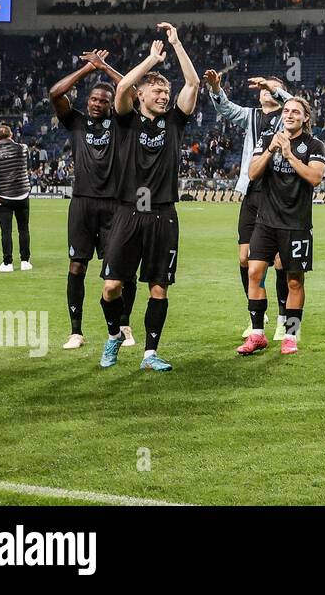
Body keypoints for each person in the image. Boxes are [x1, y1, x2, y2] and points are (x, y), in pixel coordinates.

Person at [98, 23, 199, 373]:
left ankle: (150, 353)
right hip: (128, 213)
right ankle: (114, 335)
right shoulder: (125, 120)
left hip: (162, 214)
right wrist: (151, 60)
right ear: (141, 96)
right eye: (156, 91)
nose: (163, 95)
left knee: (159, 287)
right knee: (112, 287)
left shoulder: (174, 122)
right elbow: (124, 84)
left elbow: (193, 84)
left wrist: (176, 44)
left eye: (164, 91)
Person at [205, 70, 293, 341]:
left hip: (279, 193)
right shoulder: (252, 116)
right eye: (263, 88)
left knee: (281, 263)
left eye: (271, 88)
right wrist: (216, 89)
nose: (265, 90)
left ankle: (285, 322)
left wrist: (275, 87)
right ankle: (257, 314)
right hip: (252, 192)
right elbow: (227, 109)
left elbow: (294, 102)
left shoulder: (288, 116)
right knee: (245, 258)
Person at [50, 49, 128, 349]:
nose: (97, 104)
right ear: (87, 101)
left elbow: (131, 90)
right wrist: (86, 69)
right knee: (76, 266)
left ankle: (124, 325)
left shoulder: (121, 122)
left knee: (119, 269)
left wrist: (104, 66)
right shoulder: (77, 121)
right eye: (94, 99)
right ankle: (76, 331)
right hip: (82, 202)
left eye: (103, 101)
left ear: (111, 105)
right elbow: (55, 93)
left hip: (114, 203)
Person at [237, 98, 325, 356]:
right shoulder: (267, 140)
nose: (289, 115)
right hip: (265, 221)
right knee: (254, 272)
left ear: (305, 118)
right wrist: (271, 151)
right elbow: (252, 174)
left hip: (296, 224)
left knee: (295, 281)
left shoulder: (314, 145)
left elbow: (315, 178)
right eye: (286, 111)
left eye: (295, 112)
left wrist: (288, 154)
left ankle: (291, 334)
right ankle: (257, 334)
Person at [0, 126, 32, 272]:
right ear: (11, 134)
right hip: (23, 194)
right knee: (23, 229)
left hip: (4, 196)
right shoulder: (23, 148)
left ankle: (8, 263)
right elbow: (28, 166)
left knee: (6, 231)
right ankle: (25, 261)